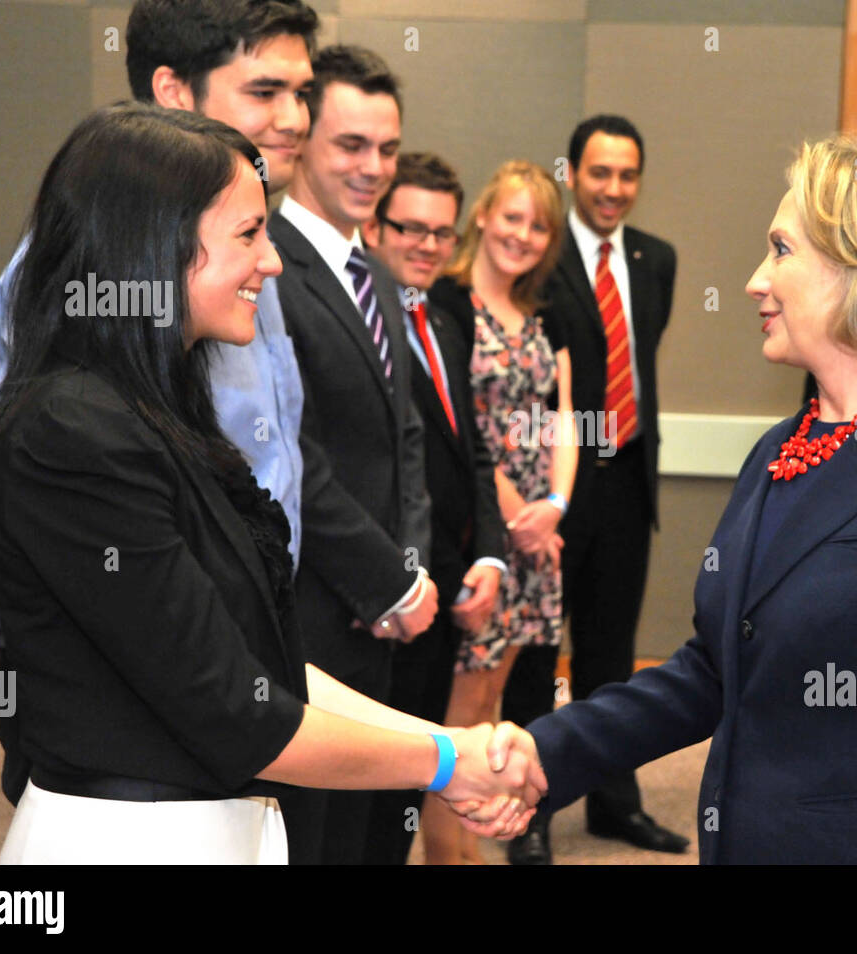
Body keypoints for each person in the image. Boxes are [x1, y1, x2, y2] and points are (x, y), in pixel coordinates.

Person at [0, 103, 541, 864]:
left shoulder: (162, 413)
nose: (271, 262)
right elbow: (238, 712)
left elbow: (265, 665)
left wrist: (443, 744)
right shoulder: (74, 434)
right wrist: (445, 764)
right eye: (248, 235)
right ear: (154, 251)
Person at [490, 126, 857, 864]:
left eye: (782, 250)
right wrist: (545, 752)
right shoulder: (779, 449)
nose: (755, 280)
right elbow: (717, 667)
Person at [0, 0, 321, 677]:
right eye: (265, 91)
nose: (295, 119)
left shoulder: (252, 254)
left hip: (248, 640)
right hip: (156, 666)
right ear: (172, 92)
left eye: (302, 93)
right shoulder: (90, 272)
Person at [270, 44, 440, 864]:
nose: (374, 167)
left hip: (380, 614)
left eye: (388, 148)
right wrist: (387, 579)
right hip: (305, 608)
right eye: (351, 145)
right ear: (302, 139)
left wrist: (409, 572)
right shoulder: (265, 261)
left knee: (367, 833)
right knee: (307, 834)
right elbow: (289, 456)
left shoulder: (372, 268)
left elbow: (405, 435)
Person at [501, 114, 687, 863]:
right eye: (600, 173)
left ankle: (614, 803)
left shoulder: (656, 259)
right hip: (555, 485)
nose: (615, 189)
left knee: (613, 659)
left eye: (628, 175)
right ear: (571, 174)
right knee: (539, 656)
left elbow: (636, 358)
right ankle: (531, 814)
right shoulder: (538, 259)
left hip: (627, 482)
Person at [359, 152, 507, 865]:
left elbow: (472, 446)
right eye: (410, 228)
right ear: (375, 224)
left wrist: (490, 553)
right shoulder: (353, 323)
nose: (426, 245)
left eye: (442, 233)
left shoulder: (447, 317)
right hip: (376, 594)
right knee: (365, 784)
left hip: (446, 587)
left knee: (411, 776)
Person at [425, 160, 575, 864]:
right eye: (512, 217)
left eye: (539, 226)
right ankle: (445, 857)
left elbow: (561, 419)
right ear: (483, 216)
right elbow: (468, 433)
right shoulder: (445, 304)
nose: (523, 234)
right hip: (487, 533)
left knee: (493, 714)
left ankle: (471, 852)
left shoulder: (541, 317)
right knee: (456, 728)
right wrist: (520, 518)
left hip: (537, 541)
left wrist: (555, 507)